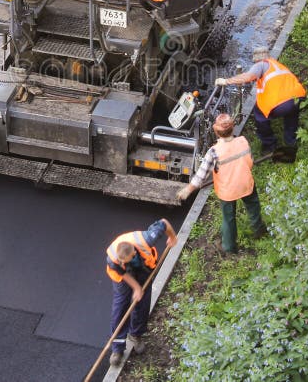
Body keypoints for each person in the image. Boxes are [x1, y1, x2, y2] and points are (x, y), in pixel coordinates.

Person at [176, 114, 267, 253]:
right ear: (233, 128)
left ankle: (229, 247)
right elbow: (250, 162)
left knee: (228, 218)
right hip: (245, 183)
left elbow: (201, 176)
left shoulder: (213, 152)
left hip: (228, 190)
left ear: (216, 131)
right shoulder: (243, 141)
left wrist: (187, 190)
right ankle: (259, 230)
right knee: (253, 207)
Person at [105, 218, 178, 367]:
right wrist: (136, 288)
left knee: (143, 302)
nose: (123, 263)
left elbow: (164, 223)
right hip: (120, 277)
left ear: (133, 253)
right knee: (120, 306)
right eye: (122, 262)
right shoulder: (114, 259)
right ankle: (117, 348)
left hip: (143, 268)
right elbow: (123, 274)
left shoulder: (146, 239)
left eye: (126, 261)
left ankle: (135, 334)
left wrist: (172, 237)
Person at [215, 46, 306, 161]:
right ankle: (291, 142)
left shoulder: (261, 64)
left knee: (259, 113)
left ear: (257, 59)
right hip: (298, 98)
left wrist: (226, 81)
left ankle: (269, 145)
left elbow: (248, 77)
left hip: (282, 103)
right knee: (291, 116)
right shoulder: (277, 65)